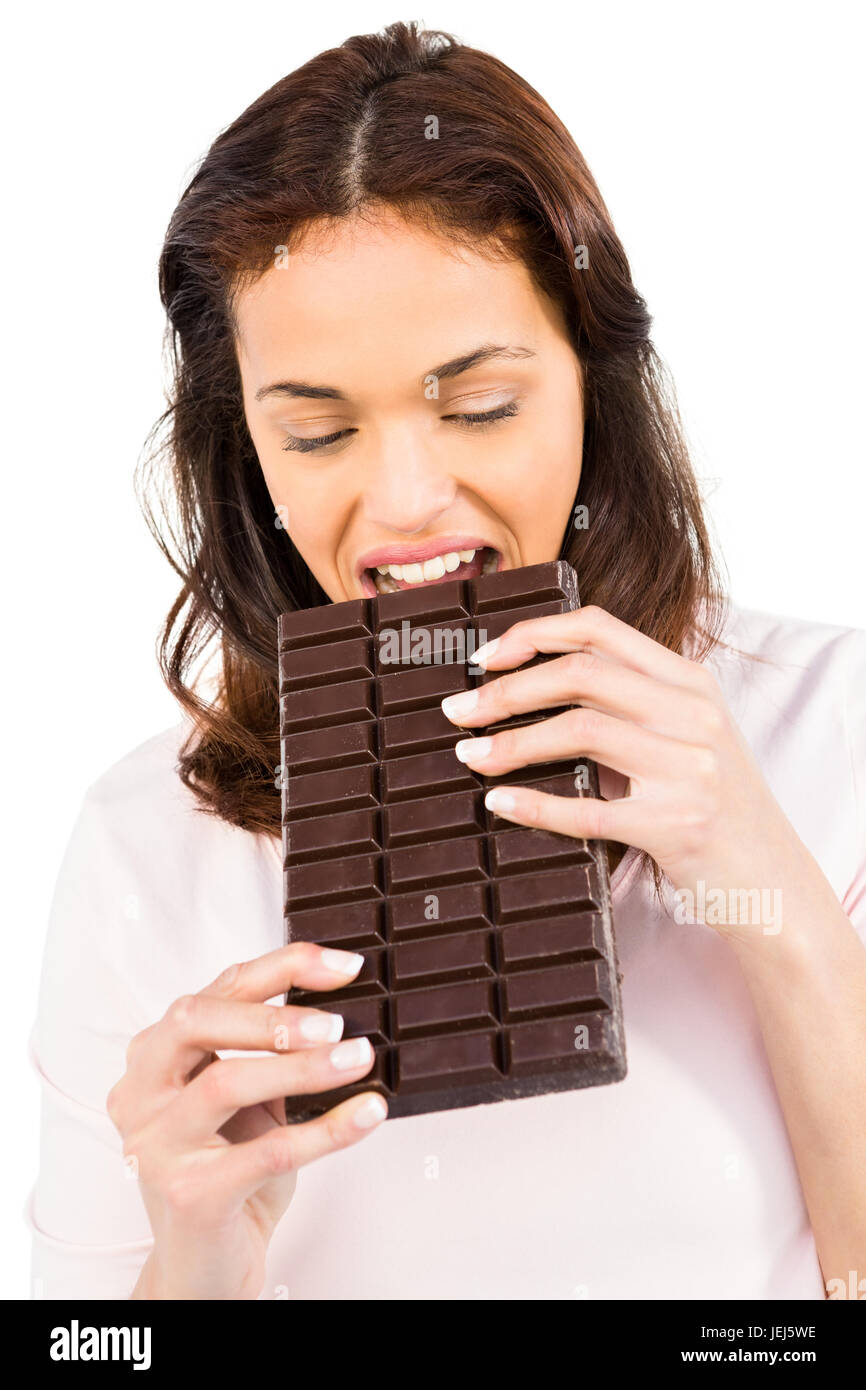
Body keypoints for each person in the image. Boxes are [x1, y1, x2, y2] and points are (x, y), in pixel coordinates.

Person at [27, 21, 866, 1301]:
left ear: (595, 379)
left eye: (478, 405)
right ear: (241, 450)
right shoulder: (150, 841)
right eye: (315, 433)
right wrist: (198, 1258)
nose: (409, 498)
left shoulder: (832, 730)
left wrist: (773, 893)